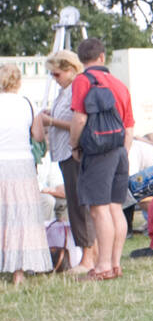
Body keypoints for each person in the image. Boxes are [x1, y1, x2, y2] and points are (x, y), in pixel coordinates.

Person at [68, 37, 132, 280]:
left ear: (81, 59)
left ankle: (102, 265)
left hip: (98, 152)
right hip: (120, 150)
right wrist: (122, 153)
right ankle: (115, 263)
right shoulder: (118, 84)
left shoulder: (83, 81)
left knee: (99, 210)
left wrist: (74, 145)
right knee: (116, 207)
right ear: (102, 57)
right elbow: (129, 127)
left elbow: (80, 118)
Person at [39, 50, 97, 273]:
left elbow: (77, 121)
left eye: (57, 74)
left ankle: (87, 257)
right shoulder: (65, 90)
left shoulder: (75, 89)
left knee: (79, 205)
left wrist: (51, 121)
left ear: (71, 70)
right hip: (66, 153)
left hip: (73, 153)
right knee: (76, 204)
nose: (54, 78)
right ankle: (90, 254)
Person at [0, 63, 54, 284]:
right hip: (22, 163)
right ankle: (18, 272)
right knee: (21, 216)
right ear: (18, 81)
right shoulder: (27, 103)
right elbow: (38, 136)